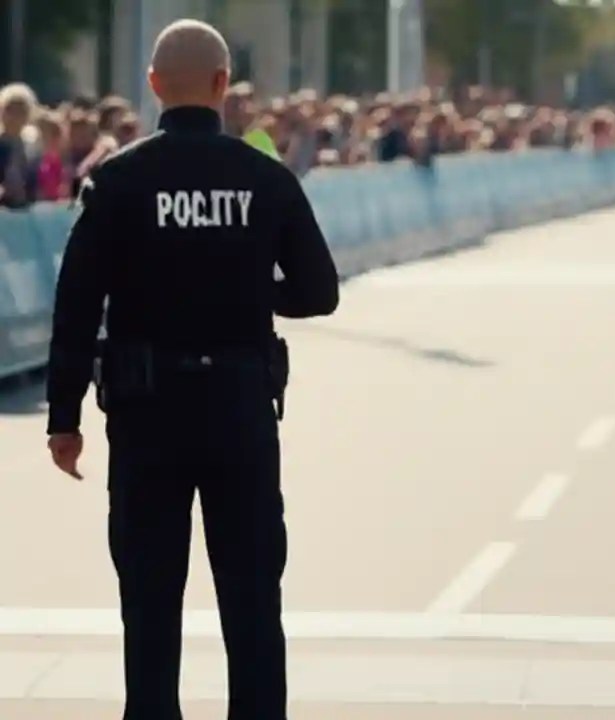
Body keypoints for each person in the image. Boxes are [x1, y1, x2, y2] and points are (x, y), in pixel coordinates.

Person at [44, 19, 339, 720]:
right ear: (222, 85)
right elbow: (319, 291)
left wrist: (64, 418)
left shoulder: (116, 182)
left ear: (152, 86)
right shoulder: (264, 178)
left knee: (149, 598)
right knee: (251, 598)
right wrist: (246, 287)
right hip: (239, 408)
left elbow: (76, 305)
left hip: (148, 414)